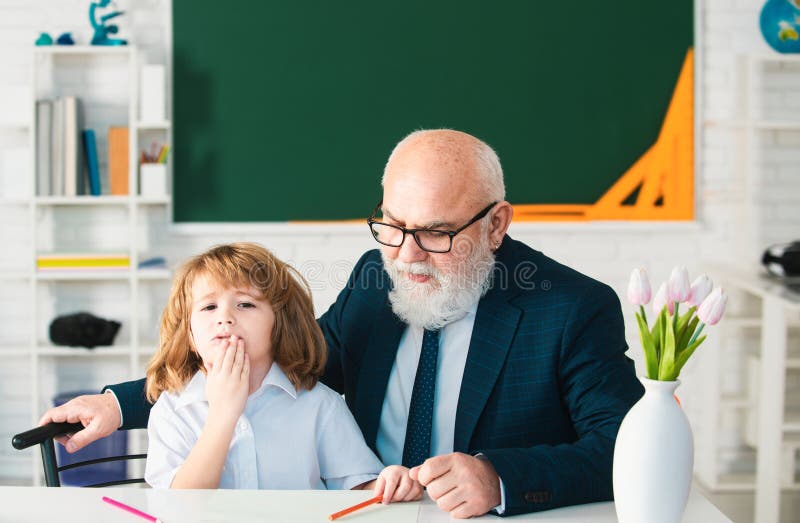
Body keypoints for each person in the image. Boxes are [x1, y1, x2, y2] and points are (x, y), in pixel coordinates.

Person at [40, 129, 643, 517]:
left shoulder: (572, 308)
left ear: (496, 224)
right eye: (393, 226)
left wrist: (496, 477)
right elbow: (288, 361)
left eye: (435, 233)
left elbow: (624, 449)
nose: (407, 256)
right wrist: (119, 404)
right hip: (367, 511)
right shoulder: (376, 276)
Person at [140, 242, 421, 501]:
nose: (224, 317)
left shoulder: (319, 404)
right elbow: (179, 506)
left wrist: (389, 485)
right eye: (209, 307)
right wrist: (222, 415)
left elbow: (359, 487)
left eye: (245, 304)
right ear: (190, 335)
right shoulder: (172, 410)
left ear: (280, 324)